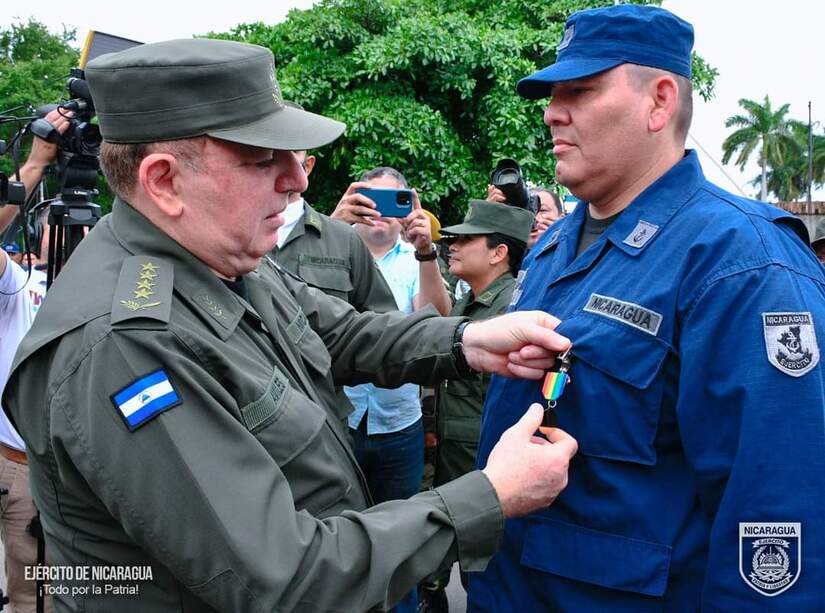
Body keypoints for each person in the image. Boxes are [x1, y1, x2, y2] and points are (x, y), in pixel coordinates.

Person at [2, 38, 579, 613]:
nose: (297, 181)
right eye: (262, 160)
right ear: (165, 182)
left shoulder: (220, 258)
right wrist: (491, 495)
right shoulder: (126, 345)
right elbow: (287, 579)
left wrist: (468, 340)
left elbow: (342, 333)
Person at [470, 5, 825, 611]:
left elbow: (776, 505)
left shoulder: (742, 262)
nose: (552, 112)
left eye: (580, 90)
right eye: (552, 95)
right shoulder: (554, 246)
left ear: (659, 102)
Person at [342, 166, 450, 613]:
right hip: (338, 420)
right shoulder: (334, 249)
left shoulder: (414, 260)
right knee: (338, 538)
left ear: (408, 207)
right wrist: (331, 226)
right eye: (371, 199)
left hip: (399, 425)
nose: (381, 212)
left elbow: (437, 321)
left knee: (400, 542)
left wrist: (427, 252)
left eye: (394, 201)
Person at [419, 200, 533, 612]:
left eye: (466, 240)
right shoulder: (470, 302)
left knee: (485, 576)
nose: (453, 246)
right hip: (452, 459)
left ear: (498, 252)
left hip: (484, 464)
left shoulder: (511, 309)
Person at [0, 109, 68, 613]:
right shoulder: (19, 284)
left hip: (47, 472)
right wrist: (37, 162)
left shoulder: (118, 287)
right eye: (53, 224)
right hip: (8, 457)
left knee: (33, 599)